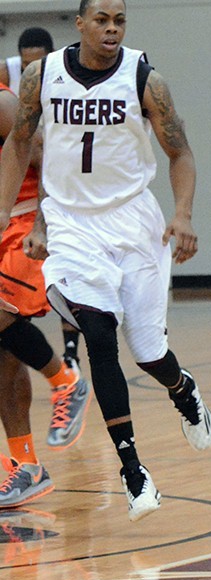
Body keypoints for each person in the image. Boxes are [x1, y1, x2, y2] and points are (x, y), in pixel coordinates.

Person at [0, 0, 211, 522]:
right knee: (98, 333)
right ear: (79, 24)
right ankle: (133, 471)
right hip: (74, 226)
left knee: (147, 353)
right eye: (102, 20)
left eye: (119, 20)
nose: (112, 28)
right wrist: (5, 215)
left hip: (133, 222)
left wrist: (182, 214)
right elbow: (19, 142)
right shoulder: (41, 76)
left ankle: (182, 388)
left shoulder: (144, 77)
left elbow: (180, 152)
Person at [0, 78, 92, 508]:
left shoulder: (1, 103)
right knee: (4, 359)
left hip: (23, 224)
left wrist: (42, 225)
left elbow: (49, 161)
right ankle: (27, 468)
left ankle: (65, 380)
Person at [0, 27, 85, 372]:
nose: (30, 67)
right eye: (26, 62)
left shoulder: (67, 78)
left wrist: (43, 221)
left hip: (41, 205)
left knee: (66, 291)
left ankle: (68, 364)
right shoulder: (10, 75)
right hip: (14, 207)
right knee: (8, 343)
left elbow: (49, 154)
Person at [0, 28, 54, 94]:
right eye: (27, 64)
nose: (32, 69)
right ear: (20, 56)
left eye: (38, 63)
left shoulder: (62, 70)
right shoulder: (5, 72)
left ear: (52, 55)